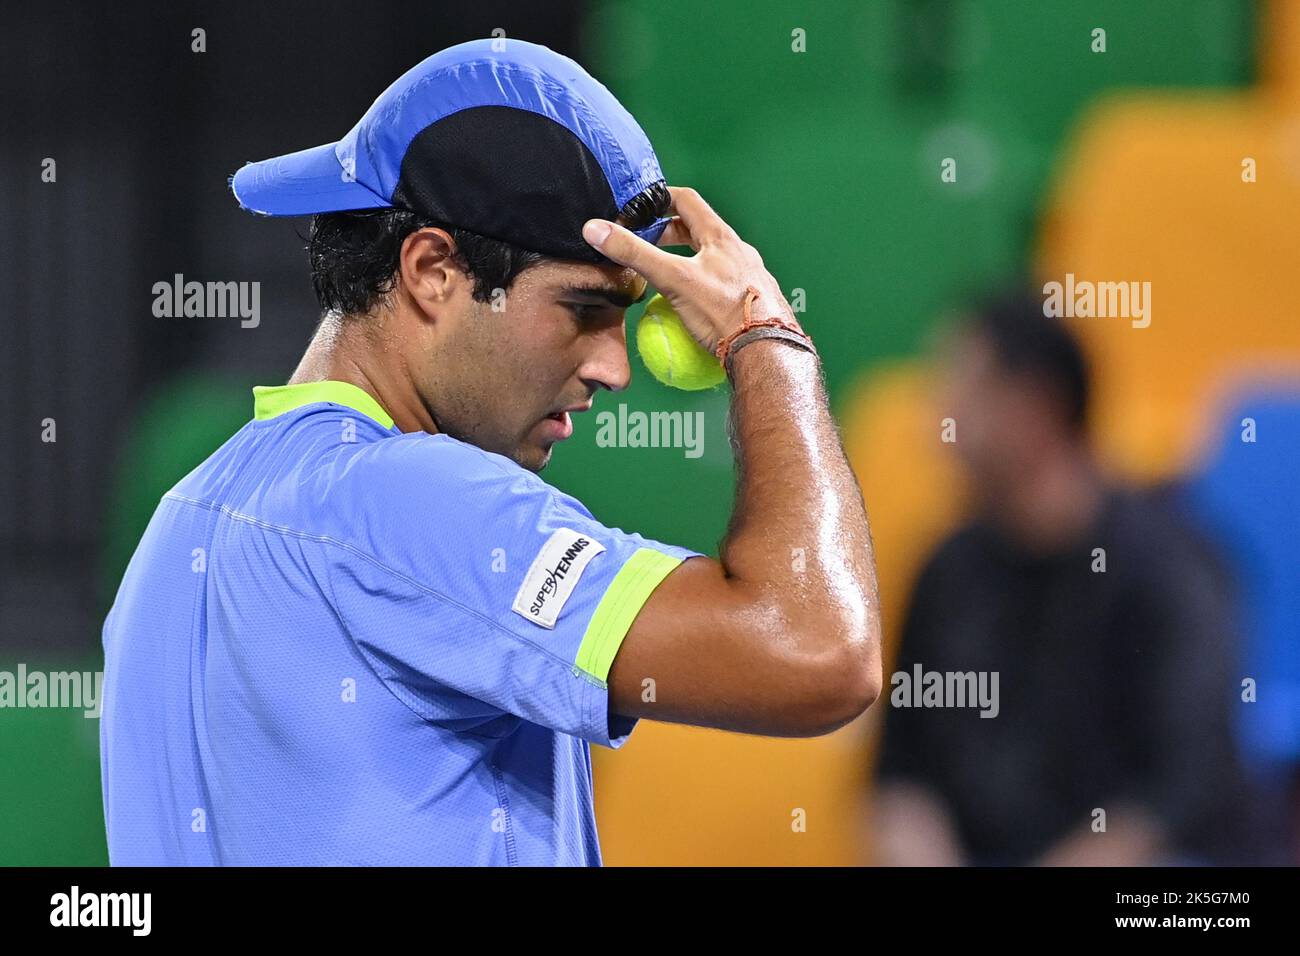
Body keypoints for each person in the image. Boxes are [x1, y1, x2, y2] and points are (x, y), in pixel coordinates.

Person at [99, 39, 881, 866]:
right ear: (433, 270)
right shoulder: (413, 500)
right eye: (582, 307)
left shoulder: (176, 524)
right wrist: (766, 339)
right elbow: (818, 651)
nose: (614, 369)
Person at [873, 291, 1251, 866]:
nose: (938, 414)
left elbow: (1188, 786)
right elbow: (900, 775)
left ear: (1036, 408)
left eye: (962, 387)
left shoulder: (1169, 567)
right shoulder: (948, 570)